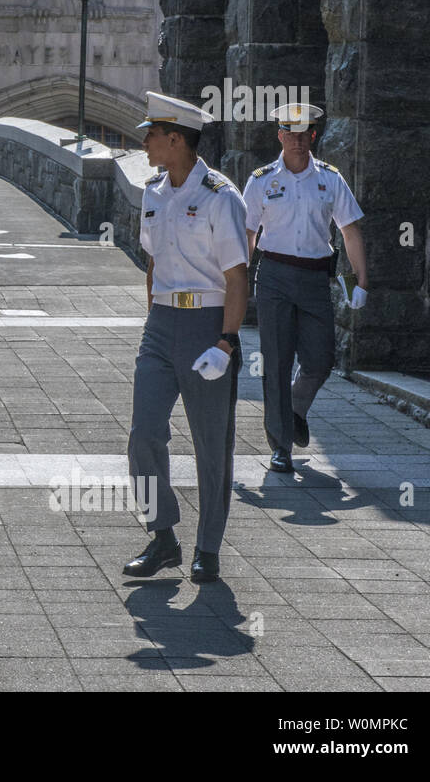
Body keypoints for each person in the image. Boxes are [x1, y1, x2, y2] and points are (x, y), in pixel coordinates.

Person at [123, 92, 248, 584]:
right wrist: (154, 314)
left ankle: (208, 548)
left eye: (152, 134)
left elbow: (238, 277)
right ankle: (163, 537)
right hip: (162, 325)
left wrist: (226, 343)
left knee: (211, 444)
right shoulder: (154, 190)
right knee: (143, 435)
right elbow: (153, 263)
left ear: (176, 140)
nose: (146, 141)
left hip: (207, 326)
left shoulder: (221, 196)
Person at [242, 103, 368, 473]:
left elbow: (350, 230)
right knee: (277, 362)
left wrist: (362, 281)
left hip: (315, 278)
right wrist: (235, 279)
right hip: (275, 276)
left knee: (321, 359)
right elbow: (248, 233)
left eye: (304, 135)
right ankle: (281, 446)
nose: (298, 142)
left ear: (312, 136)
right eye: (291, 135)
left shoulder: (330, 178)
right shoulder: (262, 180)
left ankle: (294, 408)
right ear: (280, 136)